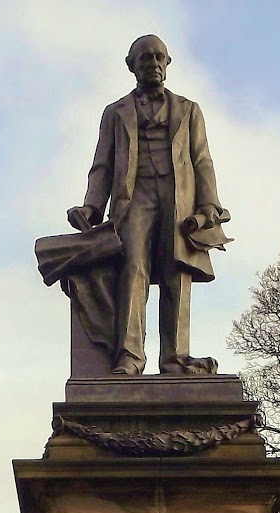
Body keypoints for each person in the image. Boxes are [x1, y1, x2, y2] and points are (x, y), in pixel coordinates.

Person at [67, 35, 228, 375]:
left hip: (178, 203)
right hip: (133, 200)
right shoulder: (115, 113)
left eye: (159, 58)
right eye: (144, 59)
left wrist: (209, 205)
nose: (153, 64)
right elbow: (103, 165)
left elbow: (202, 161)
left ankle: (175, 358)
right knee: (133, 272)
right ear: (132, 66)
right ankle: (130, 356)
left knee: (176, 275)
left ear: (167, 65)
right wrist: (91, 208)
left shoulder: (189, 110)